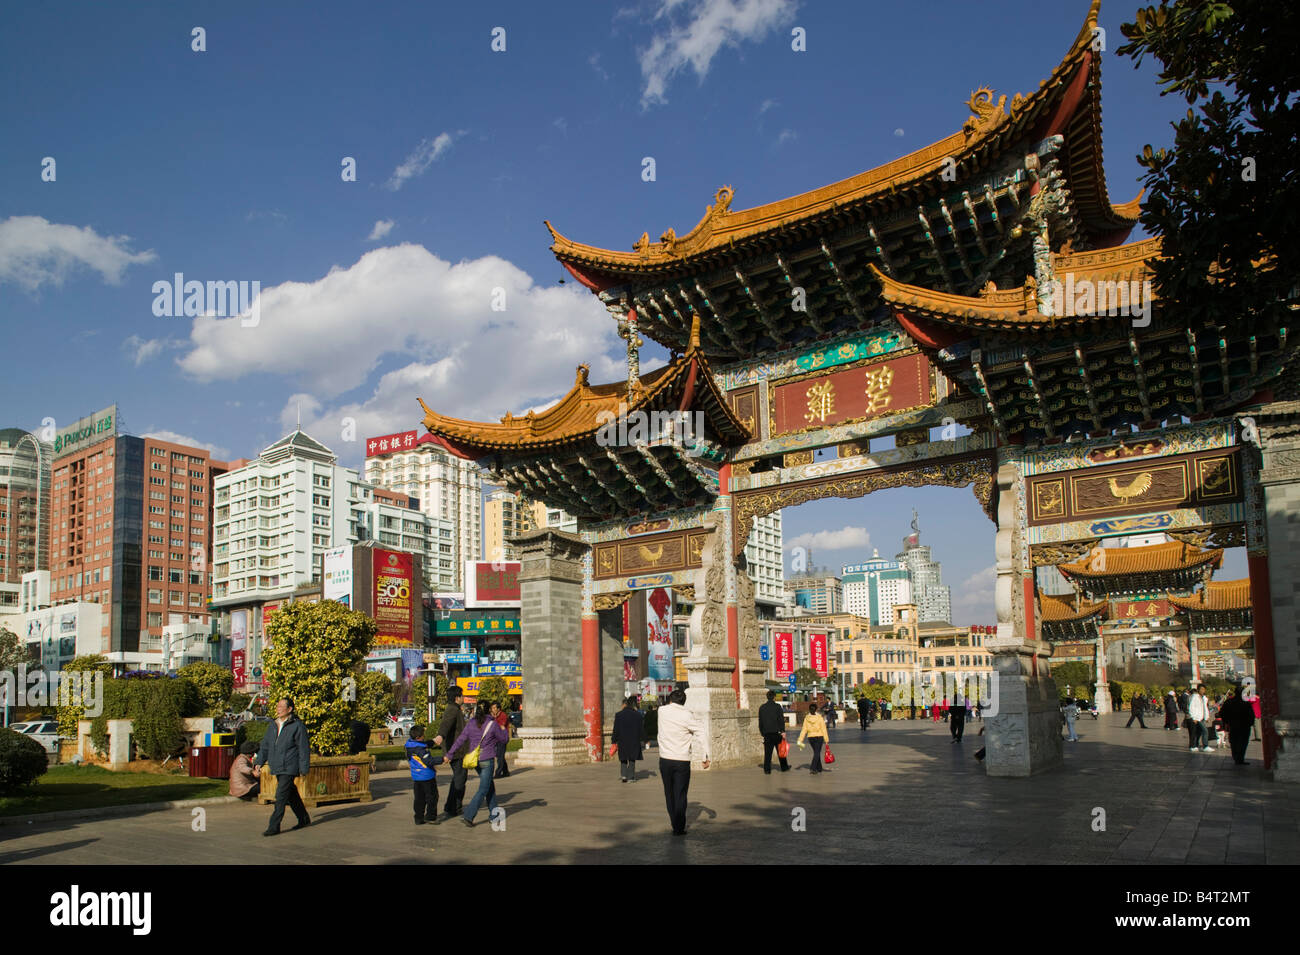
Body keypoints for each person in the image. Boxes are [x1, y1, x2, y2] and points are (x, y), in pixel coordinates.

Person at [445, 700, 509, 828]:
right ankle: (469, 816)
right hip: (487, 760)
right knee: (484, 789)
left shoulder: (471, 723)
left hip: (475, 760)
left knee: (489, 786)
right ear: (489, 710)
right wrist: (504, 730)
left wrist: (449, 754)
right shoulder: (493, 724)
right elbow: (504, 739)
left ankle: (494, 814)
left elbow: (460, 739)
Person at [253, 697, 311, 836]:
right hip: (277, 765)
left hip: (289, 766)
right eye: (277, 706)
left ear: (289, 709)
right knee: (291, 793)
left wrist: (304, 768)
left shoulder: (297, 726)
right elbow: (265, 746)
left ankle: (274, 826)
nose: (278, 709)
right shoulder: (272, 725)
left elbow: (303, 749)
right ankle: (303, 818)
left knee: (280, 795)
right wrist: (258, 763)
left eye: (281, 706)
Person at [656, 688, 710, 835]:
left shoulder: (662, 711)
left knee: (669, 793)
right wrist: (705, 757)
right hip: (682, 761)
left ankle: (674, 822)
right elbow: (701, 733)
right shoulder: (688, 716)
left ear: (671, 700)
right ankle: (679, 827)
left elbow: (667, 707)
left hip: (665, 759)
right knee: (680, 793)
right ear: (684, 702)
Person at [435, 685, 467, 821]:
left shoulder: (455, 709)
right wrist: (440, 736)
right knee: (459, 779)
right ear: (457, 697)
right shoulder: (452, 710)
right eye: (462, 695)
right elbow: (445, 725)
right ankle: (452, 806)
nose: (463, 698)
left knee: (459, 778)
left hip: (458, 750)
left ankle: (453, 806)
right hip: (456, 751)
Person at [405, 725, 444, 824]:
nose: (424, 737)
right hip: (427, 776)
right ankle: (430, 817)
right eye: (423, 736)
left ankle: (418, 817)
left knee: (419, 798)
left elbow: (424, 744)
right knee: (432, 797)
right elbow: (429, 761)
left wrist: (434, 741)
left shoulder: (410, 745)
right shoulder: (421, 750)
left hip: (416, 777)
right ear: (418, 737)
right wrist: (443, 759)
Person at [1219, 685, 1255, 765]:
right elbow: (1251, 715)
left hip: (1233, 725)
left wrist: (1227, 722)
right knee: (1243, 743)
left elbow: (1222, 713)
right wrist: (1250, 723)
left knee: (1234, 742)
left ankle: (1236, 758)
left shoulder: (1229, 702)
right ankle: (1240, 758)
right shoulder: (1246, 703)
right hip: (1244, 726)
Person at [612, 696, 645, 782]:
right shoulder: (638, 715)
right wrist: (644, 740)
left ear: (625, 704)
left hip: (622, 741)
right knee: (632, 758)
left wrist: (614, 740)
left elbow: (616, 729)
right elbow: (641, 729)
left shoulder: (619, 715)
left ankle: (624, 776)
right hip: (634, 740)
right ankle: (631, 777)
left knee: (623, 758)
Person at [758, 689, 789, 774]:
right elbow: (781, 720)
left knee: (768, 753)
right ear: (774, 697)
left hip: (767, 733)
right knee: (780, 751)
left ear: (767, 697)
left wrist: (762, 732)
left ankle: (767, 770)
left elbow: (760, 722)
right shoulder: (777, 707)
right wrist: (783, 731)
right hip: (776, 733)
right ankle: (784, 767)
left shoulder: (762, 707)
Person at [798, 702, 830, 774]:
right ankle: (813, 768)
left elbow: (804, 729)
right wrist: (826, 739)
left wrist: (800, 739)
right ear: (816, 710)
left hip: (811, 737)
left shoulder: (807, 718)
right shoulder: (819, 717)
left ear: (809, 710)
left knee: (816, 752)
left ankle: (819, 768)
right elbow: (823, 728)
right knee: (817, 752)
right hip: (819, 736)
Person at [1188, 684, 1211, 752]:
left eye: (1204, 689)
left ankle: (1195, 745)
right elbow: (1191, 707)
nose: (1203, 691)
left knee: (1199, 732)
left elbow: (1205, 708)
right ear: (1198, 690)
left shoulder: (1204, 698)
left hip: (1202, 717)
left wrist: (1207, 717)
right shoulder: (1195, 697)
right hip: (1197, 717)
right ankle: (1205, 746)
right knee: (1205, 731)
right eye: (1201, 689)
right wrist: (1193, 717)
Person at [493, 699, 512, 779]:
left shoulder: (503, 715)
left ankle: (498, 773)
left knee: (500, 756)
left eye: (494, 708)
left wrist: (495, 719)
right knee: (499, 755)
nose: (493, 709)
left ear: (498, 708)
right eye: (492, 708)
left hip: (502, 738)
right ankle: (506, 771)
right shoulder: (492, 716)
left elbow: (501, 726)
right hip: (496, 738)